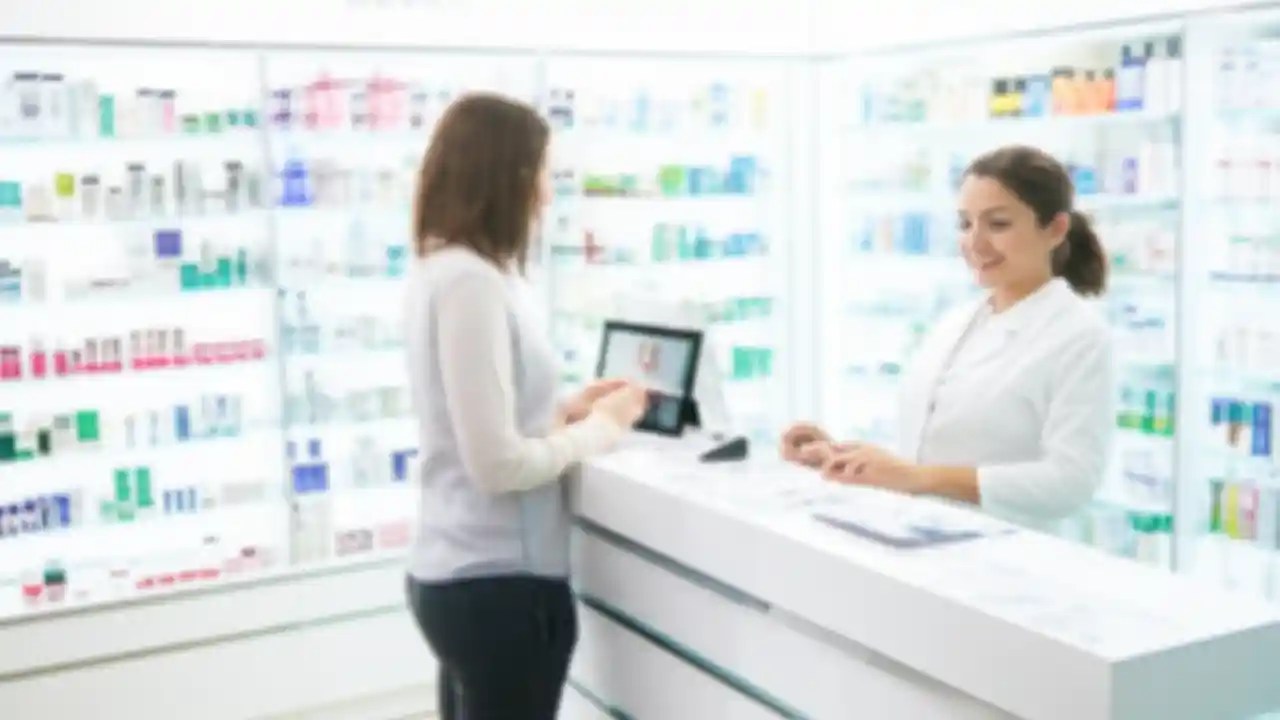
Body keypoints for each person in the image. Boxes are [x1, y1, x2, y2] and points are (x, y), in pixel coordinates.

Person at [402, 93, 648, 720]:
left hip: (459, 577)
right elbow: (498, 466)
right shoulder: (472, 283)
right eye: (543, 172)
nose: (547, 192)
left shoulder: (445, 270)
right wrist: (601, 429)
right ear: (509, 177)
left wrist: (561, 411)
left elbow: (475, 418)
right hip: (499, 588)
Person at [782, 144, 1113, 532]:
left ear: (1055, 229)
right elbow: (928, 450)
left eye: (998, 224)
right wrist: (844, 456)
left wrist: (917, 478)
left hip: (1007, 555)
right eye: (965, 224)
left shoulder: (1078, 335)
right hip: (922, 538)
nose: (975, 243)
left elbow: (1070, 482)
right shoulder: (958, 321)